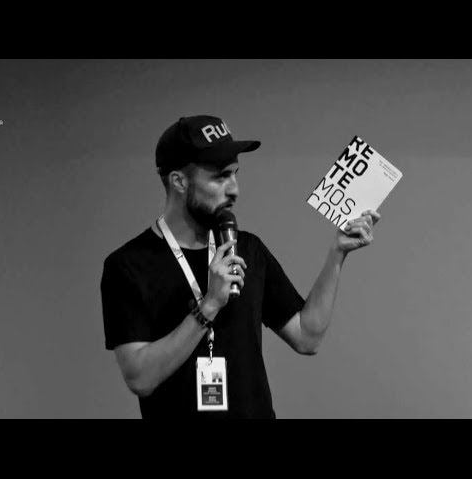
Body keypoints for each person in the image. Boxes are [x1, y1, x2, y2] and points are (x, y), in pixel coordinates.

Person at [100, 115, 380, 419]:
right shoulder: (127, 266)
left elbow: (306, 337)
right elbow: (140, 378)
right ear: (179, 181)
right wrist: (209, 305)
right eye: (221, 177)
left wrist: (337, 254)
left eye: (235, 174)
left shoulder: (247, 249)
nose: (234, 189)